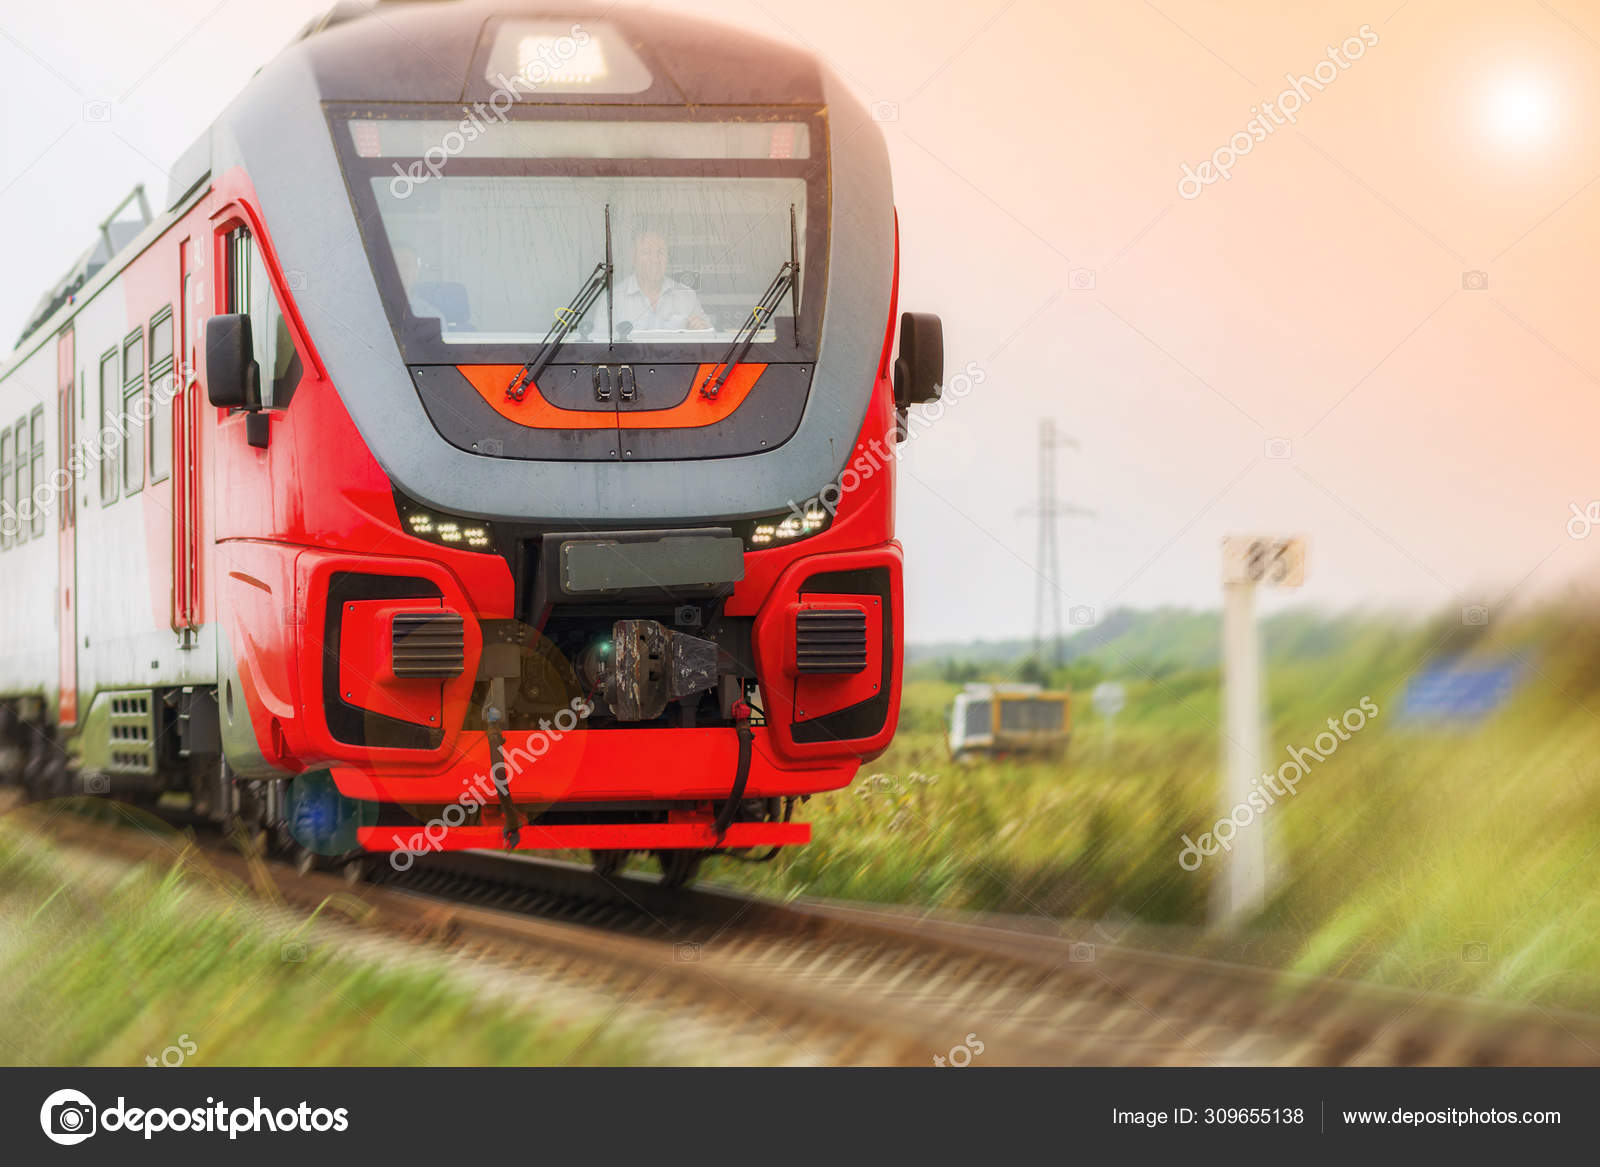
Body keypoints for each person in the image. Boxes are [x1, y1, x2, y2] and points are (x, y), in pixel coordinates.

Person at [608, 231, 709, 334]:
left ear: (667, 258)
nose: (655, 260)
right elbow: (599, 346)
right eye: (647, 252)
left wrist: (701, 330)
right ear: (634, 258)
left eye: (660, 252)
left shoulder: (687, 295)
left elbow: (709, 340)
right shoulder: (613, 299)